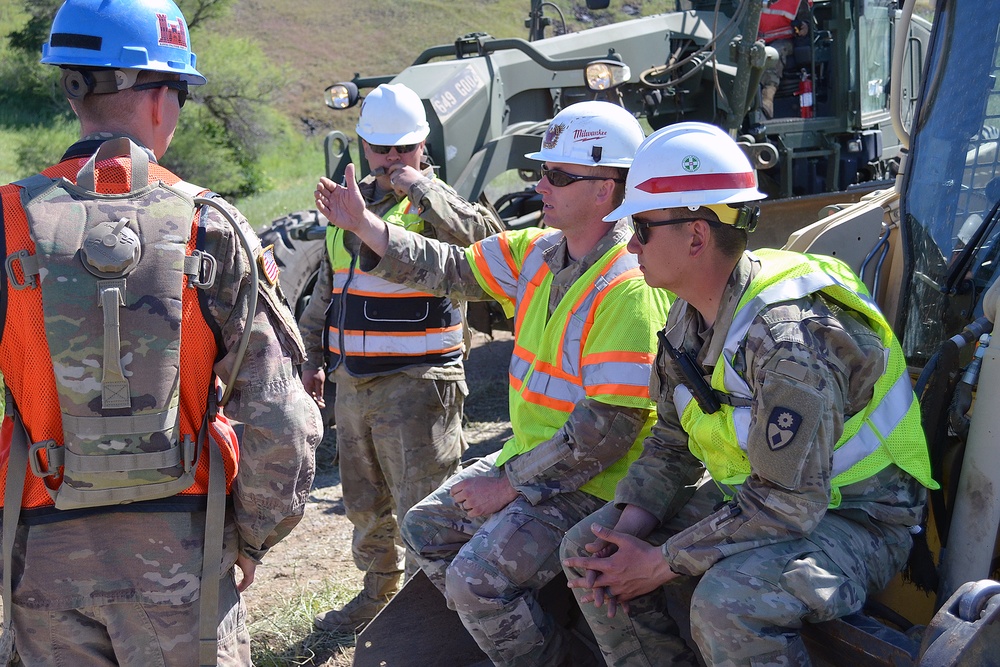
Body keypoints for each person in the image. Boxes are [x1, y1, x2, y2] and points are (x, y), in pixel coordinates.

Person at [0, 1, 321, 665]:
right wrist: (251, 537)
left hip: (39, 552)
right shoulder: (213, 225)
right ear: (155, 98)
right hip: (184, 557)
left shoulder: (7, 221)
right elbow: (282, 419)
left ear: (72, 88)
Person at [560, 121, 938, 666]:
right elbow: (670, 439)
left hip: (855, 516)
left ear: (696, 235)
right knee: (588, 550)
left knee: (727, 603)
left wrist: (661, 560)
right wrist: (627, 531)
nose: (630, 242)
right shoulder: (690, 316)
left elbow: (789, 504)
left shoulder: (790, 345)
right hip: (761, 495)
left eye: (641, 227)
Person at [313, 100, 673, 666]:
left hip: (598, 482)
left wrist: (509, 485)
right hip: (541, 461)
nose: (541, 185)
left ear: (606, 190)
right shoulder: (541, 252)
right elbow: (452, 267)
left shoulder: (627, 286)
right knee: (426, 527)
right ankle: (536, 631)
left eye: (557, 175)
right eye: (541, 172)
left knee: (474, 580)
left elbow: (607, 433)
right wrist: (365, 225)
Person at [299, 82, 502, 634]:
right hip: (355, 382)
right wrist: (313, 353)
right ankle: (377, 594)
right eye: (382, 150)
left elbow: (488, 244)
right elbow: (330, 282)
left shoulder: (439, 203)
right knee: (364, 503)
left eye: (403, 150)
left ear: (422, 146)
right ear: (363, 146)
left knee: (425, 505)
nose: (392, 161)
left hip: (420, 383)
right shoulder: (349, 202)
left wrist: (421, 190)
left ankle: (430, 613)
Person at [759, 0, 813, 118]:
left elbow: (808, 21)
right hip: (758, 42)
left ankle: (768, 95)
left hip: (785, 41)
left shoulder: (796, 2)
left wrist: (805, 27)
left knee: (773, 54)